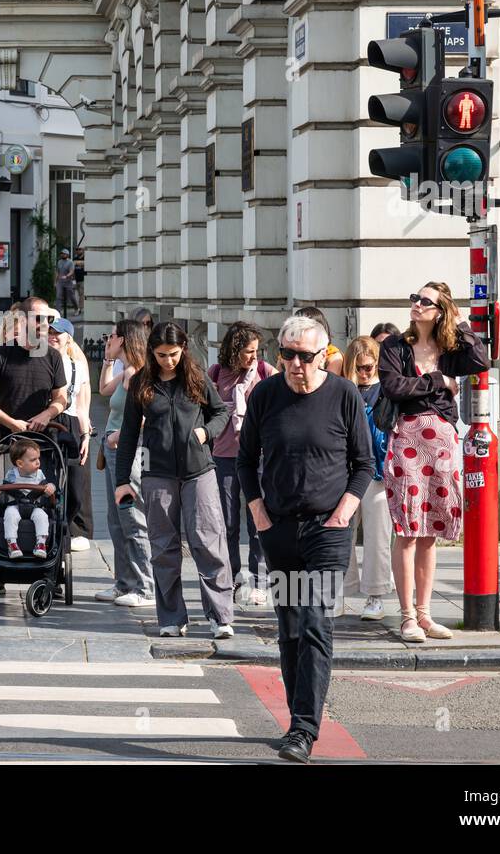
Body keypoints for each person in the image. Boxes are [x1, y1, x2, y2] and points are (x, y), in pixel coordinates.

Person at [238, 315, 375, 763]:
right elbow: (244, 462)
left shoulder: (343, 395)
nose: (295, 364)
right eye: (288, 355)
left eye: (305, 356)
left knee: (316, 620)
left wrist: (344, 513)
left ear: (324, 354)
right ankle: (299, 716)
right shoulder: (265, 394)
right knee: (291, 626)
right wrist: (258, 513)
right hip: (279, 530)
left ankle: (303, 729)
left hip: (327, 531)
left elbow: (363, 463)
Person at [378, 283, 488, 643]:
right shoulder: (395, 347)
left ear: (439, 310)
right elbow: (395, 387)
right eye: (414, 298)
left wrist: (458, 323)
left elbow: (481, 359)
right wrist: (439, 381)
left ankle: (425, 615)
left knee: (429, 535)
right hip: (407, 441)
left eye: (425, 301)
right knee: (408, 530)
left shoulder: (449, 347)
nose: (416, 304)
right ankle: (407, 616)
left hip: (442, 443)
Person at [115, 322, 235, 639]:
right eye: (161, 355)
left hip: (199, 471)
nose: (168, 360)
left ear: (183, 349)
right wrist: (121, 481)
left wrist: (205, 432)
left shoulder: (196, 377)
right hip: (156, 473)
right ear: (152, 353)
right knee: (164, 547)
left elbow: (221, 412)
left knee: (208, 541)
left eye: (174, 354)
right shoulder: (142, 382)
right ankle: (171, 617)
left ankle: (220, 615)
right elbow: (128, 435)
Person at [209, 321, 275, 606]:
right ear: (234, 350)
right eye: (248, 351)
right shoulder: (216, 373)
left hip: (258, 455)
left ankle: (259, 581)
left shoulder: (265, 372)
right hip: (224, 454)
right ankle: (233, 576)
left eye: (257, 351)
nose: (254, 357)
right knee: (228, 522)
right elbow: (207, 411)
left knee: (258, 520)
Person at [97, 319, 156, 606]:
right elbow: (104, 390)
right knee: (116, 520)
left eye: (113, 335)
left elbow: (148, 416)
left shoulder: (140, 375)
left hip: (128, 450)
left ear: (124, 339)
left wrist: (118, 435)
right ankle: (123, 583)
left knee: (132, 517)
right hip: (114, 448)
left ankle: (145, 587)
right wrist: (108, 360)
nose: (108, 337)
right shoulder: (127, 372)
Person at [342, 336, 394, 621]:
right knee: (341, 534)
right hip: (345, 472)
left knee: (377, 536)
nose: (364, 372)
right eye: (359, 367)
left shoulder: (385, 390)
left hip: (376, 470)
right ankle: (342, 591)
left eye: (369, 367)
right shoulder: (342, 389)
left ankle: (375, 595)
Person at [0, 295, 68, 435]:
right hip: (5, 440)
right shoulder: (0, 354)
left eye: (49, 319)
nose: (45, 324)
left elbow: (61, 398)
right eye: (38, 318)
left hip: (43, 441)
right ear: (23, 320)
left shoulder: (53, 356)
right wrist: (11, 423)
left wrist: (47, 415)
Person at [47, 317, 93, 553]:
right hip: (47, 422)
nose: (53, 336)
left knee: (75, 483)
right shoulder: (41, 361)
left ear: (68, 338)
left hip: (72, 422)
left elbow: (83, 407)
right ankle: (52, 531)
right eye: (50, 332)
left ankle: (72, 527)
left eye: (58, 333)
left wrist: (86, 435)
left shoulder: (77, 366)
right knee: (47, 479)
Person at [0, 439, 55, 558]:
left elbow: (48, 487)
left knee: (42, 516)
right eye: (33, 460)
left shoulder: (40, 474)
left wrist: (50, 488)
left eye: (38, 458)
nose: (38, 462)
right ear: (20, 463)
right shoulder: (12, 474)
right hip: (15, 505)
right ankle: (12, 544)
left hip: (35, 506)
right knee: (10, 514)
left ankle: (41, 544)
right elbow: (2, 485)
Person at [294, 306, 343, 375]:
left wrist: (319, 367)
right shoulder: (289, 352)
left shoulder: (333, 355)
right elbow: (279, 382)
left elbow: (331, 383)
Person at [55, 248, 78, 315]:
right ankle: (58, 311)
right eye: (61, 253)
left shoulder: (70, 262)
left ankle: (76, 308)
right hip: (60, 282)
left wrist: (67, 276)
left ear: (67, 255)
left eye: (64, 254)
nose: (62, 255)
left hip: (68, 281)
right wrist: (55, 281)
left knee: (71, 296)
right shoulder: (59, 262)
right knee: (58, 296)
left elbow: (72, 271)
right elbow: (57, 272)